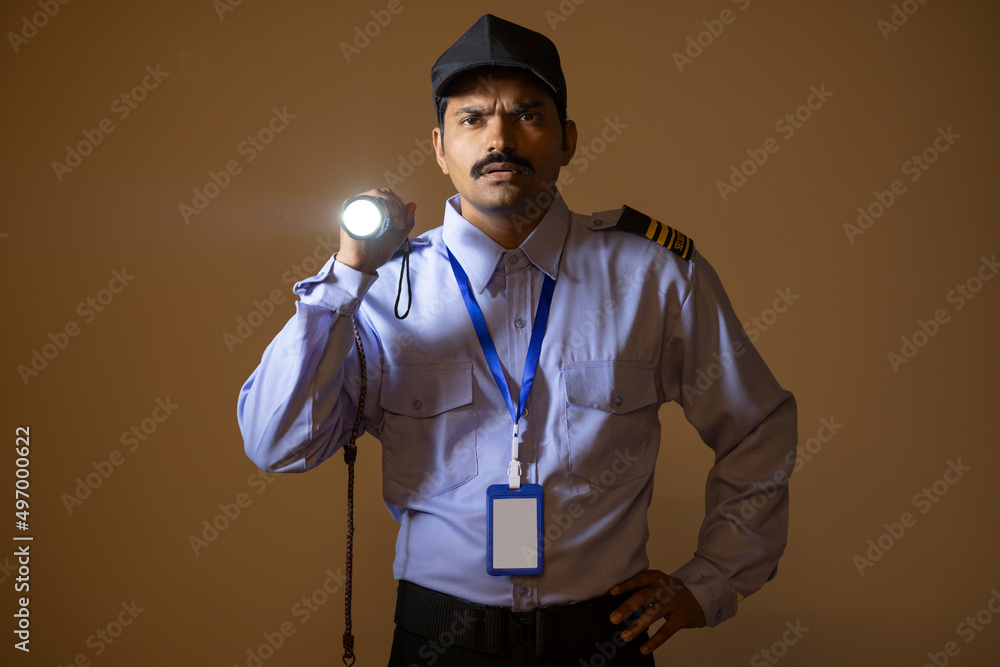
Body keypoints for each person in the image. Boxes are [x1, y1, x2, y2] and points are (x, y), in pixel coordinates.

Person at [238, 13, 796, 666]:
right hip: (437, 642)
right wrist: (344, 278)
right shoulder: (380, 290)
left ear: (569, 140)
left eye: (527, 114)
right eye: (472, 118)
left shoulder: (652, 275)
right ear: (441, 149)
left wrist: (711, 579)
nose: (498, 136)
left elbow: (758, 426)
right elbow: (276, 444)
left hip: (602, 641)